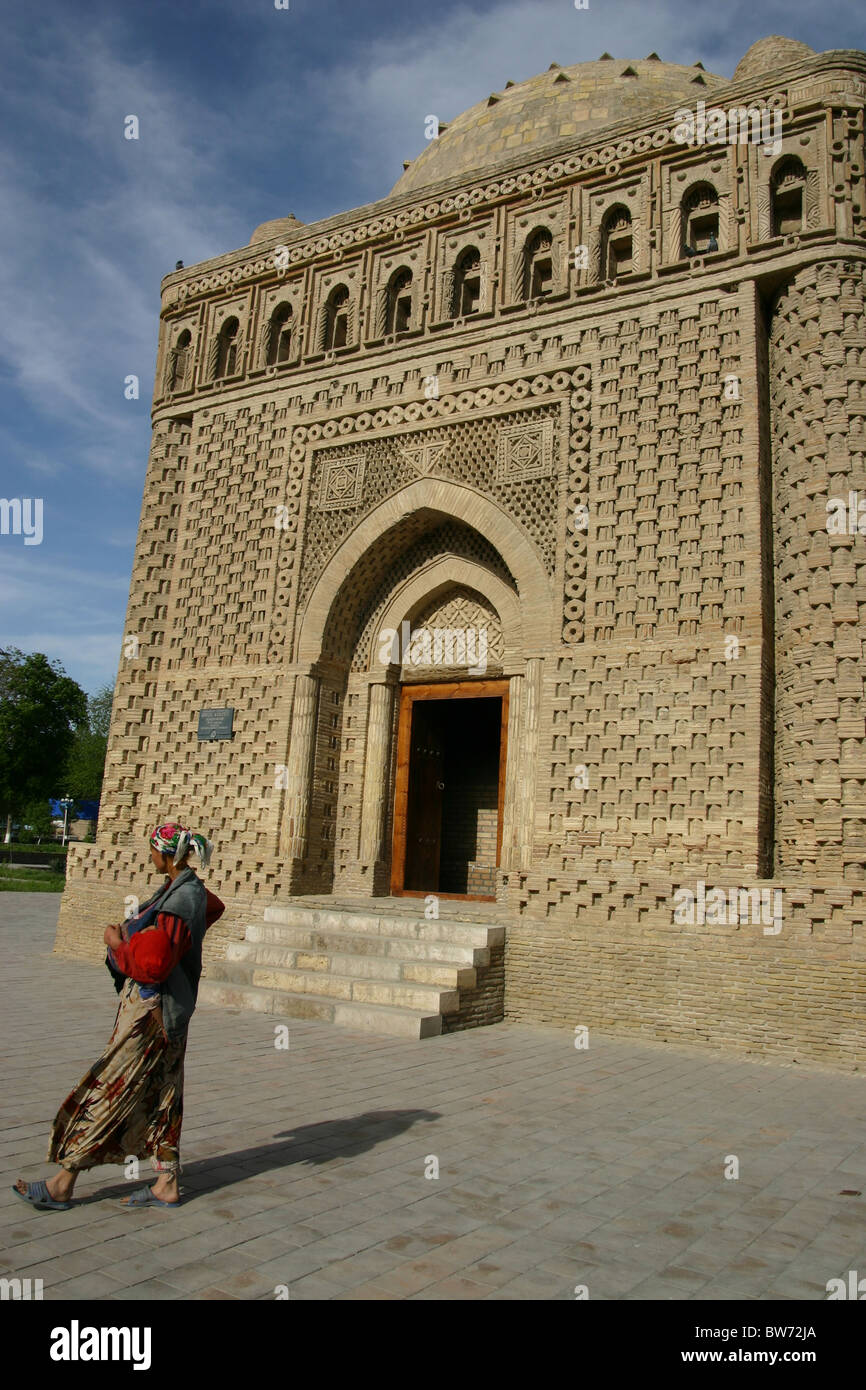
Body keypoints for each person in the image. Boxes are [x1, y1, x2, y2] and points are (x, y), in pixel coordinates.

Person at [13, 822, 224, 1211]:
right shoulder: (187, 890)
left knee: (108, 1089)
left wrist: (117, 945)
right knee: (164, 1095)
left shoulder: (180, 899)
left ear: (167, 856)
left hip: (153, 1014)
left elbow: (153, 966)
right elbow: (213, 908)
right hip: (173, 1014)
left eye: (153, 851)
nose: (150, 856)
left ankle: (62, 1184)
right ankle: (167, 1184)